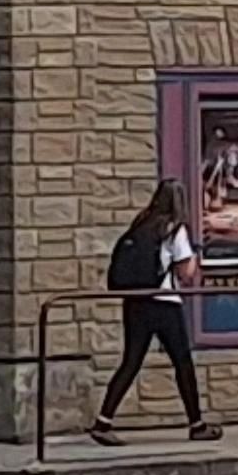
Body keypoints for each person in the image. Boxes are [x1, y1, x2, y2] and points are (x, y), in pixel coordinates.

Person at [90, 179, 222, 445]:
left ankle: (103, 422)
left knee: (131, 362)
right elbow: (185, 273)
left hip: (136, 302)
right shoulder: (174, 229)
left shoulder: (141, 224)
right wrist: (196, 253)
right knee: (182, 362)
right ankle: (197, 425)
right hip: (163, 303)